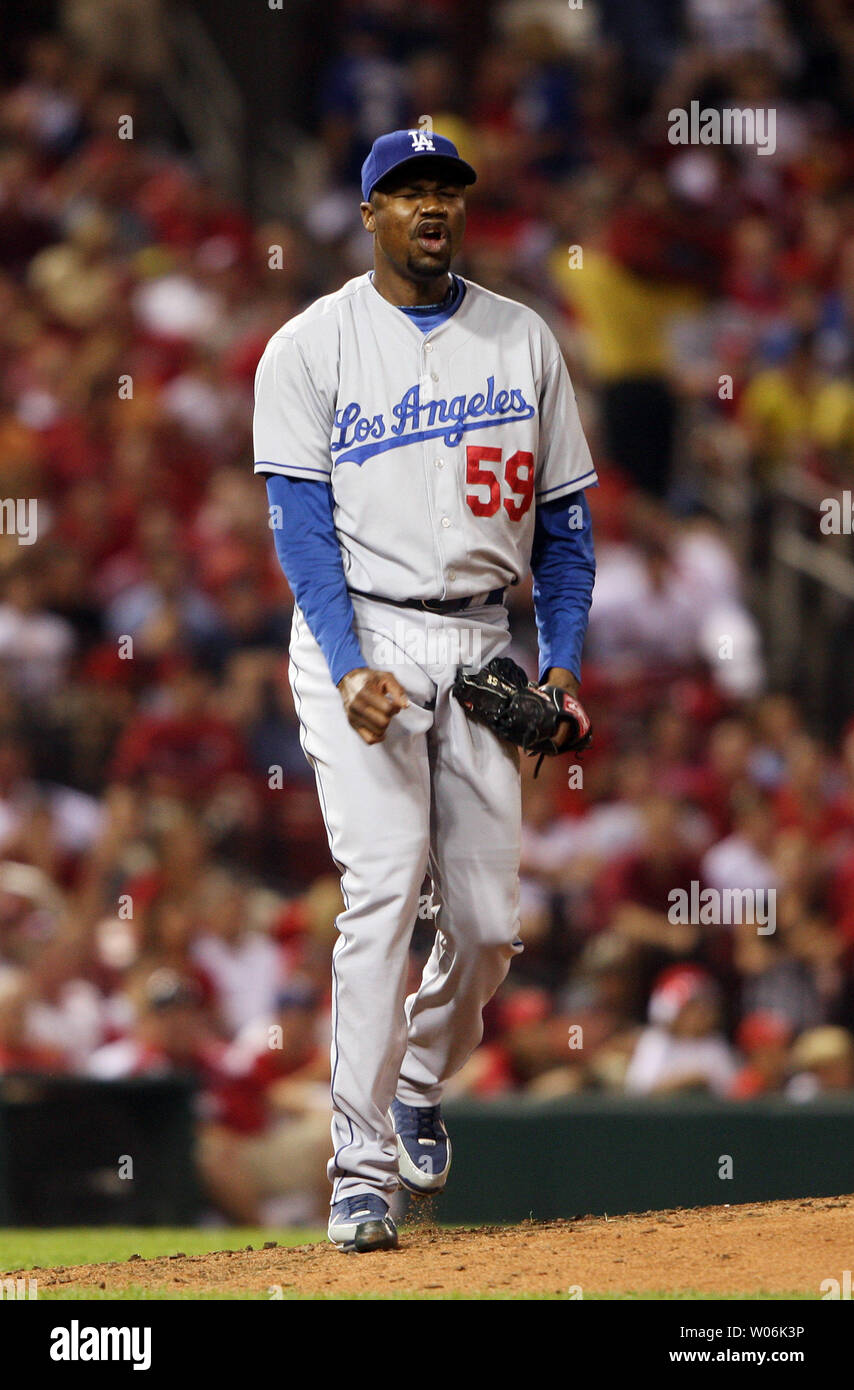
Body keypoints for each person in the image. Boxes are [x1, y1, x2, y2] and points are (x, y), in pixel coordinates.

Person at [253, 129, 597, 1252]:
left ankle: (415, 1073)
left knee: (493, 923)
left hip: (483, 640)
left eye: (445, 189)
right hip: (361, 627)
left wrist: (562, 663)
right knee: (384, 885)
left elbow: (565, 532)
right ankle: (357, 1171)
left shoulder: (521, 337)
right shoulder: (308, 346)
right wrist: (349, 663)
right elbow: (302, 534)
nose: (430, 206)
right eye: (407, 192)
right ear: (368, 215)